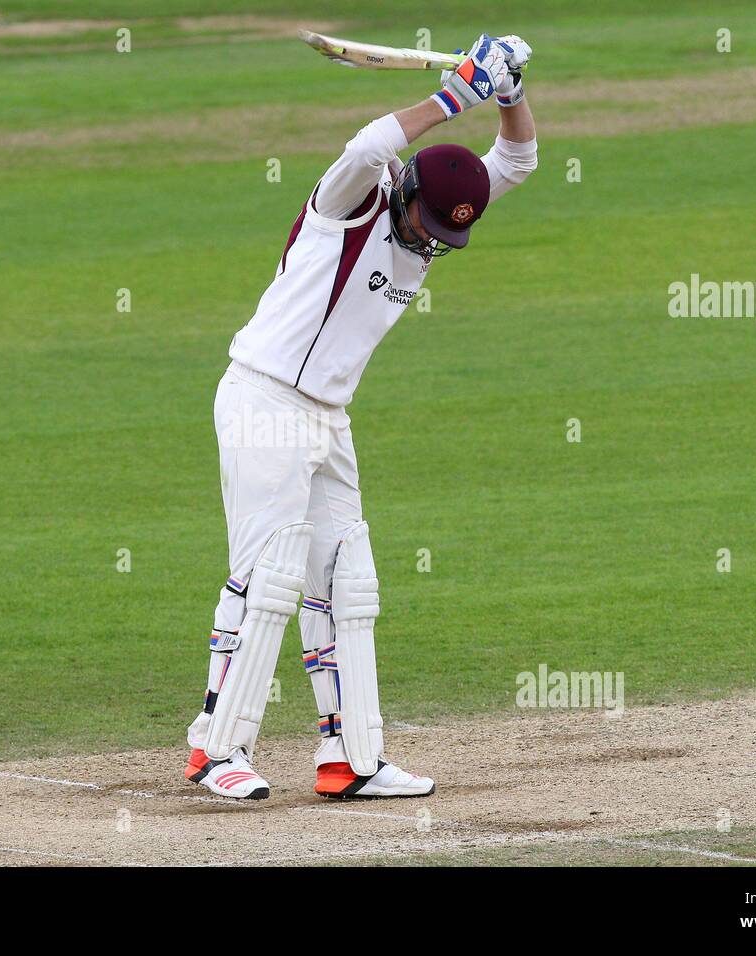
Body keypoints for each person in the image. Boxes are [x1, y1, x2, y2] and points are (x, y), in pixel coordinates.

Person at [185, 34, 538, 799]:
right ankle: (216, 750)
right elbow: (369, 140)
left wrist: (509, 92)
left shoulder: (431, 225)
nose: (428, 243)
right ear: (406, 191)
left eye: (446, 237)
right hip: (263, 398)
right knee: (270, 576)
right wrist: (456, 96)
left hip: (329, 417)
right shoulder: (352, 201)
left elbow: (516, 163)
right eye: (426, 225)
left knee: (351, 583)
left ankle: (352, 759)